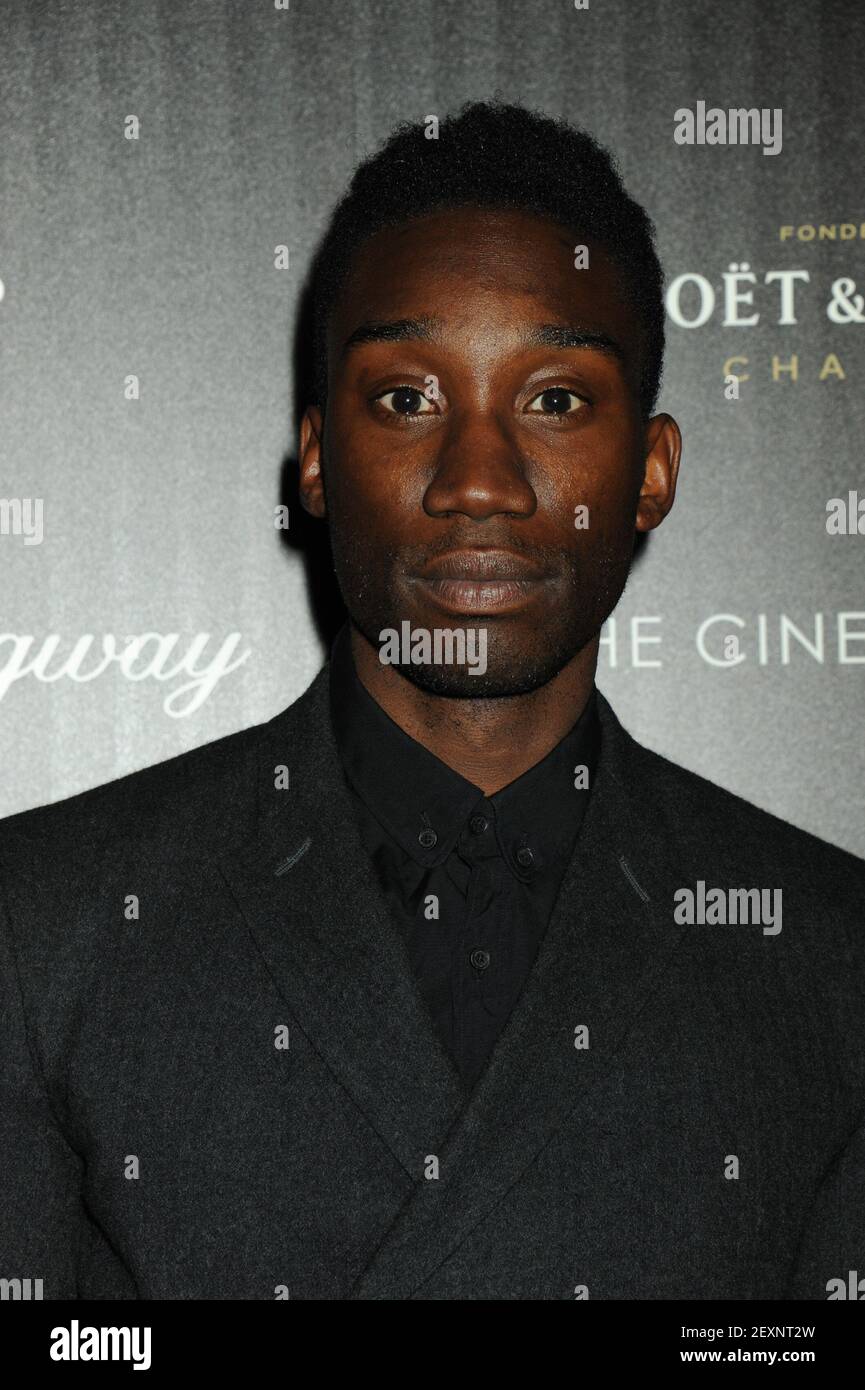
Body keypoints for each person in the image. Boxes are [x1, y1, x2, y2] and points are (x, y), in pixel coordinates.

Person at [1, 101, 863, 1302]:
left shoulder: (828, 958)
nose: (478, 482)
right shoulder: (43, 929)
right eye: (408, 398)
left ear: (652, 472)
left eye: (554, 399)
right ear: (314, 459)